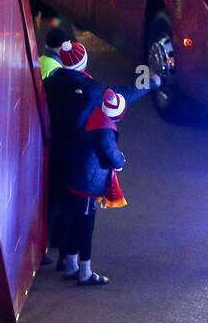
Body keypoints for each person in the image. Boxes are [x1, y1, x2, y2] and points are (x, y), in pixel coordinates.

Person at [58, 83, 156, 284]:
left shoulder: (92, 115)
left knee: (73, 223)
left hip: (74, 176)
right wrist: (121, 160)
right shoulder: (105, 131)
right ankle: (84, 272)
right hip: (87, 184)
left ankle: (71, 265)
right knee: (85, 227)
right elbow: (113, 157)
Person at [43, 40, 95, 265]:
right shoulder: (89, 89)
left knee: (54, 199)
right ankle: (68, 257)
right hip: (75, 156)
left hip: (53, 149)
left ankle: (50, 244)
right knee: (75, 209)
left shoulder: (50, 82)